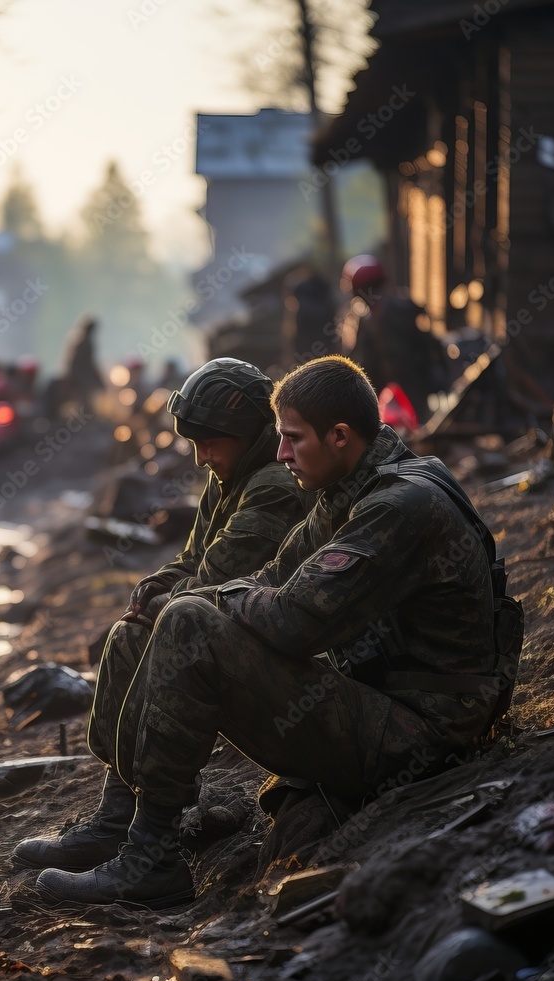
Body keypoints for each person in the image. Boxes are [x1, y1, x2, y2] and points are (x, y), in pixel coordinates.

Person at [31, 355, 500, 909]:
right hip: (382, 702)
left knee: (187, 622)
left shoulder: (399, 505)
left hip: (426, 734)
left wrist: (205, 603)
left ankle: (152, 859)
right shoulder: (353, 485)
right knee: (164, 624)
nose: (280, 454)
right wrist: (201, 600)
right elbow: (275, 577)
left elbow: (296, 621)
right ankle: (124, 824)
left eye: (292, 439)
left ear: (340, 436)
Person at [13, 358, 311, 876]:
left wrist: (165, 600)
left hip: (283, 654)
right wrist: (156, 584)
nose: (200, 457)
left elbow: (216, 581)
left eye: (209, 442)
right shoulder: (231, 474)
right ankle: (118, 819)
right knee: (128, 636)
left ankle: (154, 846)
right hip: (242, 630)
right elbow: (193, 559)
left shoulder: (273, 486)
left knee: (167, 630)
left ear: (246, 433)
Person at [340, 254, 441, 423]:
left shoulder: (365, 318)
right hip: (413, 386)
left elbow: (360, 360)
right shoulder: (404, 307)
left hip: (389, 392)